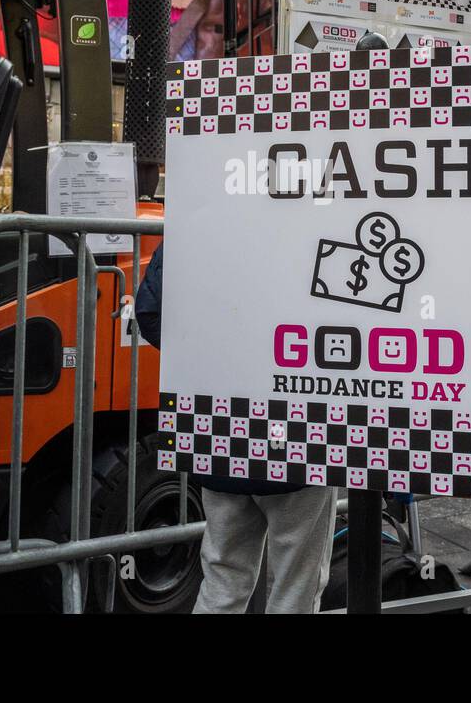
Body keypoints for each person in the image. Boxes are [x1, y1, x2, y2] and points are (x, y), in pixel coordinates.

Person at [135, 243, 338, 614]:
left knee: (223, 577)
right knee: (296, 585)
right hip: (299, 429)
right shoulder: (312, 228)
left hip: (218, 426)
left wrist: (211, 354)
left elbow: (150, 312)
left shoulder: (201, 221)